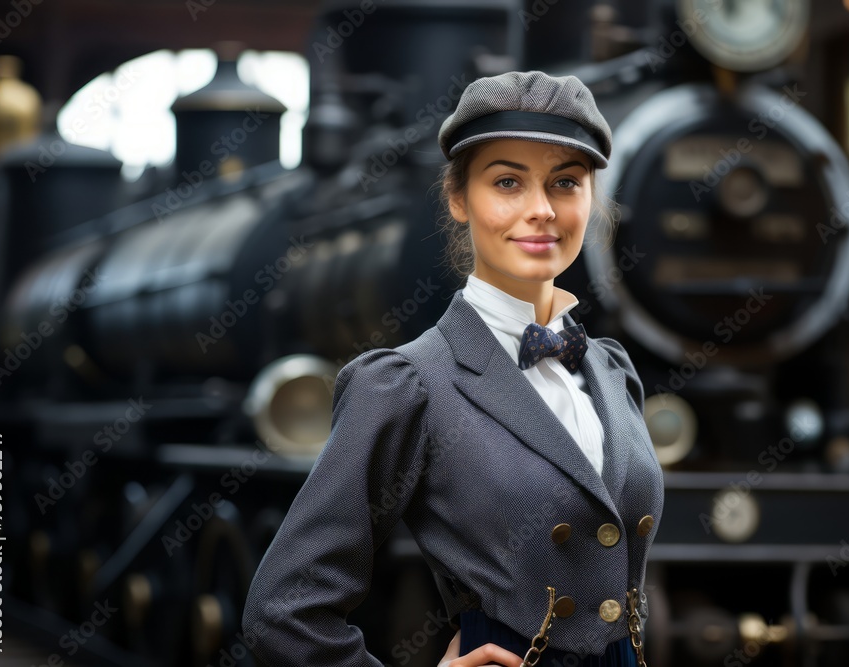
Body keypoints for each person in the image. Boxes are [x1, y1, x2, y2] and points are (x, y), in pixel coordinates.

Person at [242, 70, 665, 667]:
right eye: (508, 182)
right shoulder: (407, 383)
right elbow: (283, 611)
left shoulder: (611, 371)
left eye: (565, 182)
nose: (541, 209)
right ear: (458, 198)